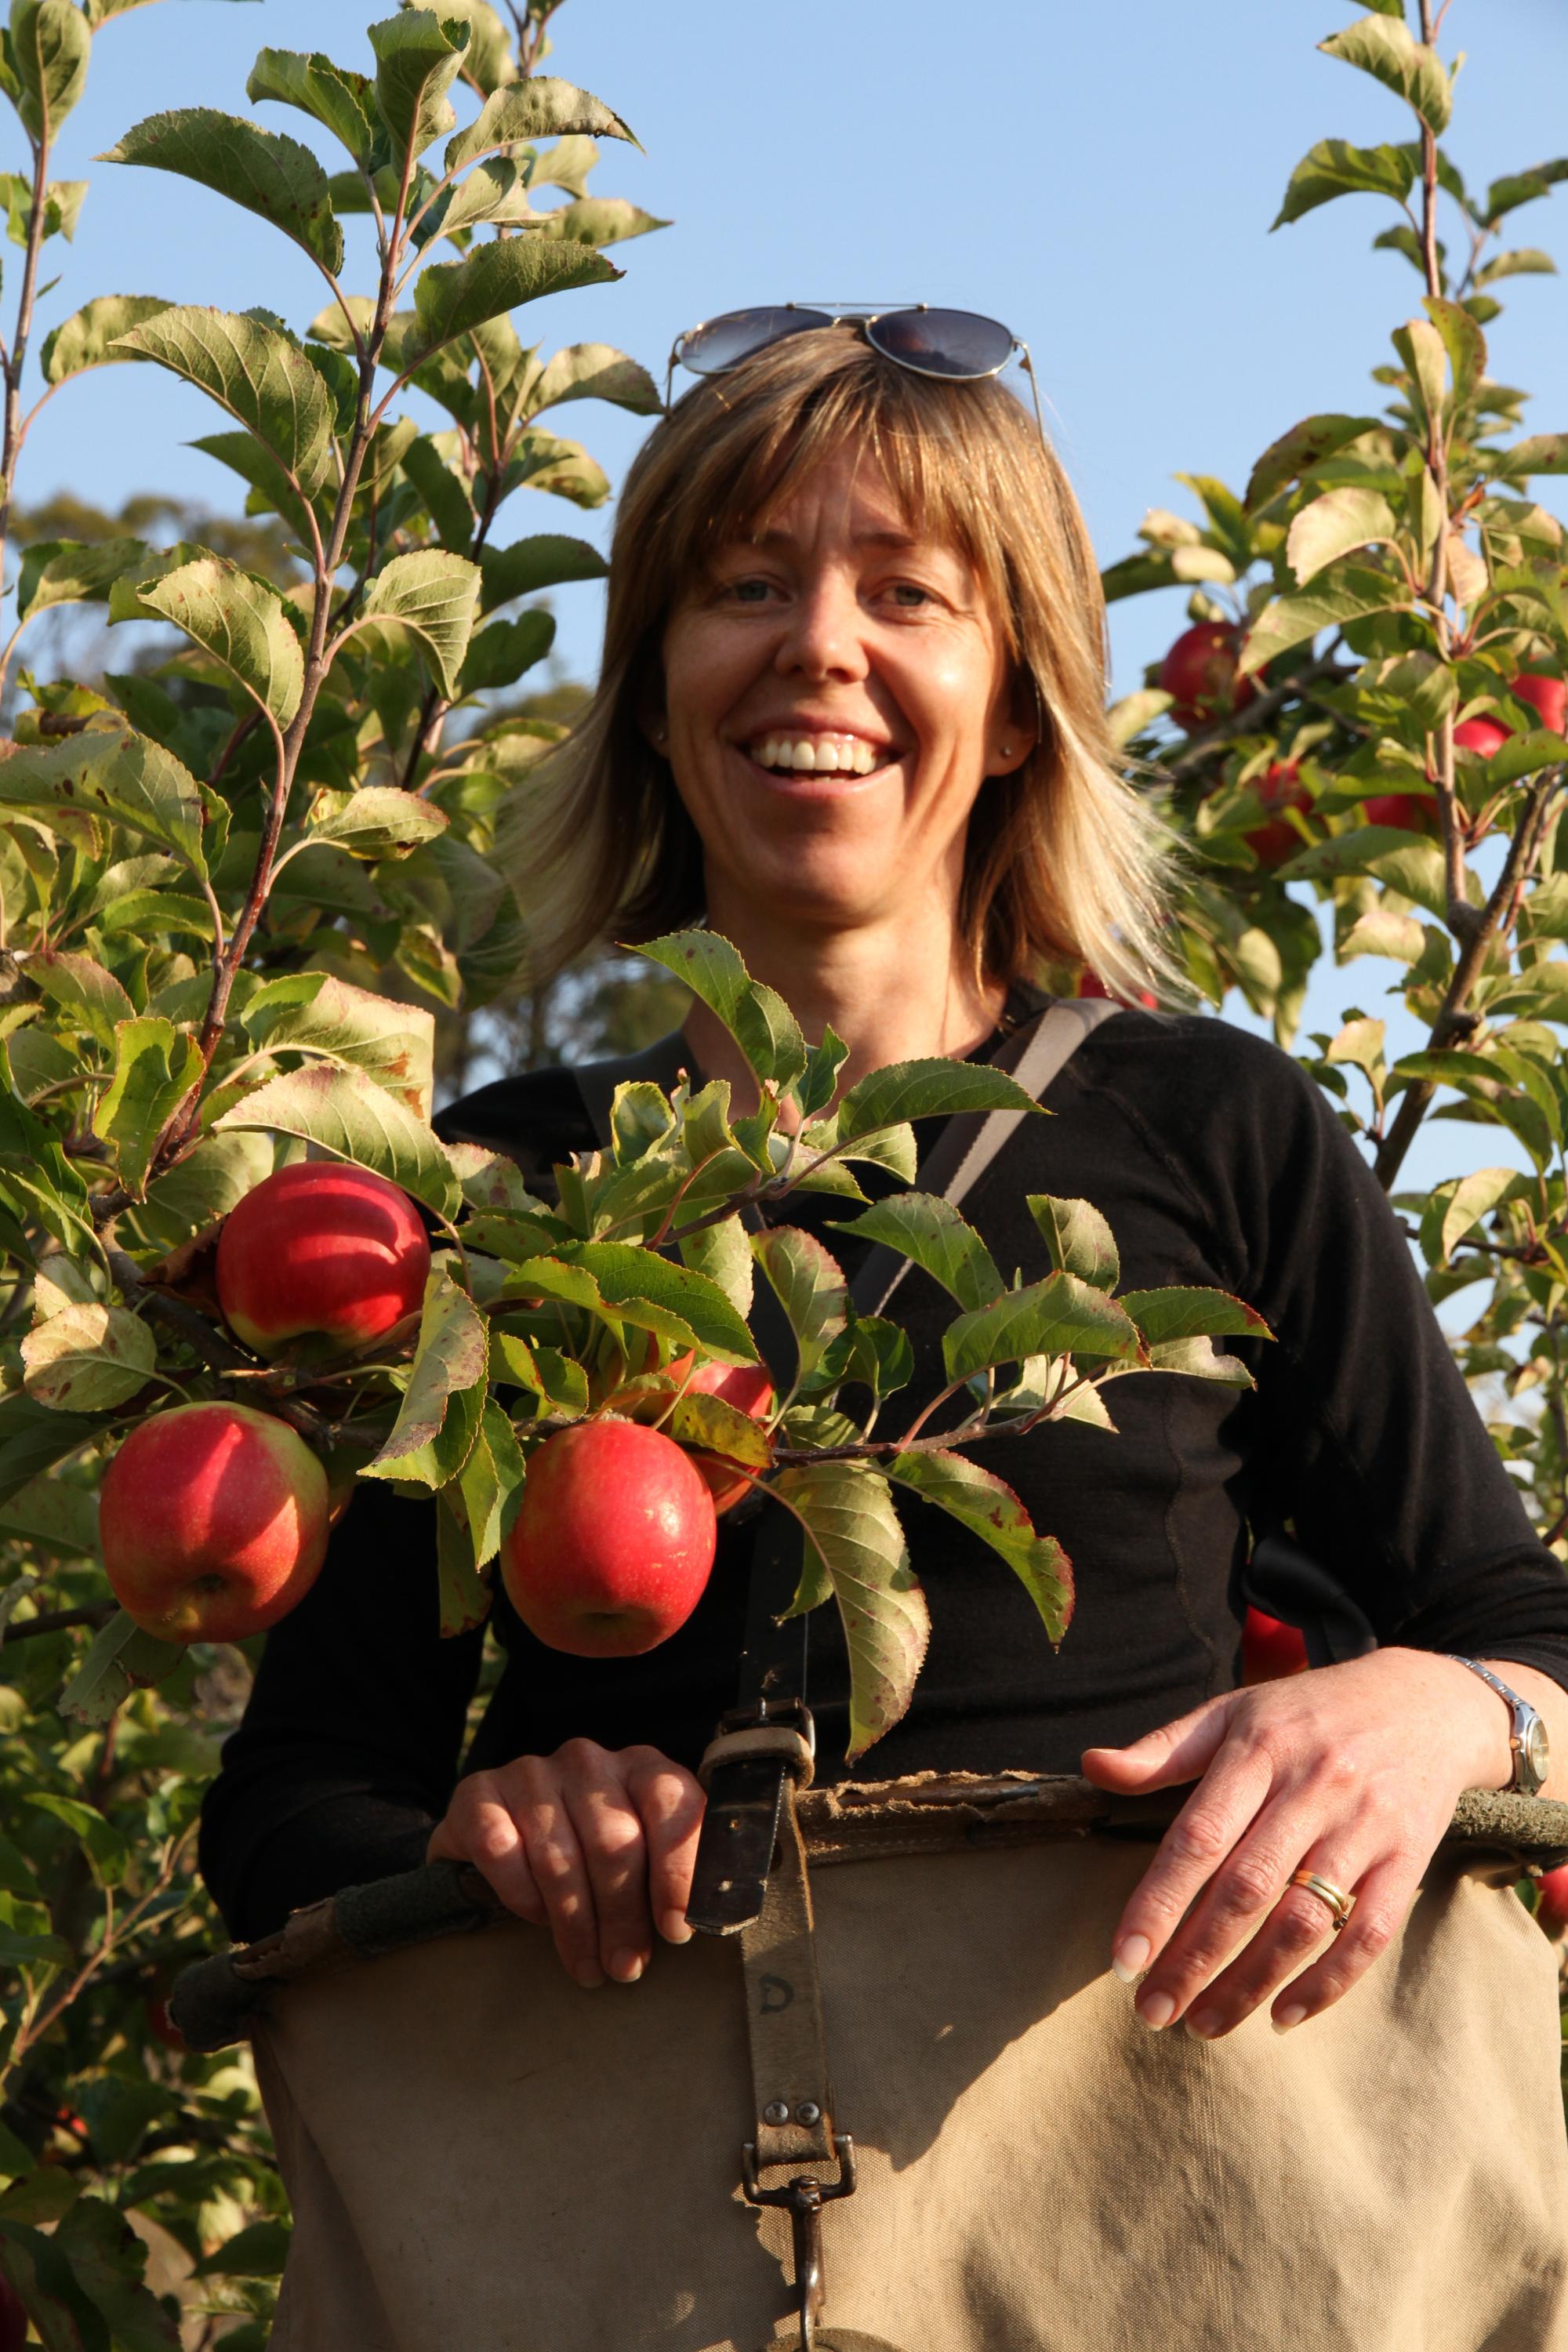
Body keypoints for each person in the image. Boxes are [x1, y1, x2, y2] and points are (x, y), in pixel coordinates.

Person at [200, 315, 1568, 2352]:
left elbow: (1521, 1618)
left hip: (1160, 2227)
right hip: (636, 2229)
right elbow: (292, 1806)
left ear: (1012, 705)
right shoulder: (504, 1210)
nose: (818, 646)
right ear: (655, 698)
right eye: (743, 583)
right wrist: (491, 1826)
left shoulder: (1213, 1133)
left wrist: (1449, 1711)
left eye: (905, 592)